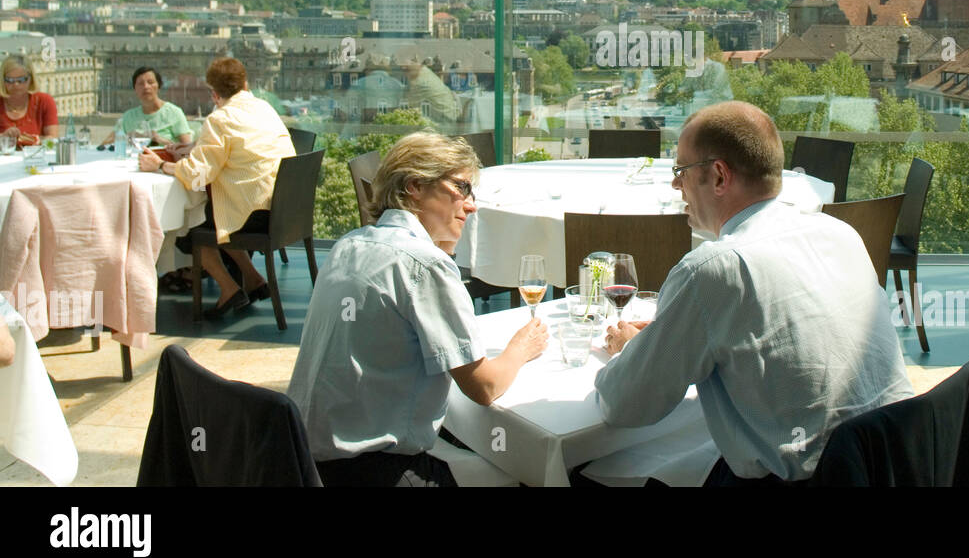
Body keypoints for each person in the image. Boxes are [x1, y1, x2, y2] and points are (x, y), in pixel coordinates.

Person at [594, 100, 913, 485]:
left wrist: (629, 349)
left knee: (603, 472)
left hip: (807, 478)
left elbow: (624, 405)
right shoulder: (840, 233)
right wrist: (665, 341)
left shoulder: (713, 270)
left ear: (718, 177)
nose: (675, 185)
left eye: (680, 171)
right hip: (897, 463)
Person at [287, 132, 548, 486]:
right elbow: (484, 388)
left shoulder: (348, 245)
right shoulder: (425, 265)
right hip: (374, 472)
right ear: (415, 186)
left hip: (302, 461)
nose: (471, 206)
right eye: (462, 188)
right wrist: (521, 348)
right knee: (522, 473)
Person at [139, 58, 294, 319]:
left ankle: (229, 288)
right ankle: (253, 279)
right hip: (280, 206)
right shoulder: (264, 107)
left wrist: (159, 165)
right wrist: (192, 149)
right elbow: (238, 148)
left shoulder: (219, 119)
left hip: (253, 213)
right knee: (217, 215)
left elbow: (197, 176)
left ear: (214, 93)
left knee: (191, 223)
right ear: (245, 84)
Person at [102, 67, 194, 154]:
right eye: (141, 84)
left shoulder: (174, 113)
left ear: (159, 85)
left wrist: (159, 140)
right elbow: (104, 145)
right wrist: (127, 138)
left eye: (150, 82)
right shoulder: (128, 116)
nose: (146, 87)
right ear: (135, 88)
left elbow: (187, 148)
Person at [1, 56, 57, 147]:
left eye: (21, 80)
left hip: (35, 158)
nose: (16, 85)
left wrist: (31, 140)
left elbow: (53, 141)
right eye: (9, 80)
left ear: (31, 79)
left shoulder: (44, 101)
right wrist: (3, 138)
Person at [399, 52, 458, 126]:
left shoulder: (419, 82)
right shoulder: (424, 71)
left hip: (443, 124)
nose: (402, 68)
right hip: (448, 118)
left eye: (405, 64)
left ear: (416, 62)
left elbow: (407, 109)